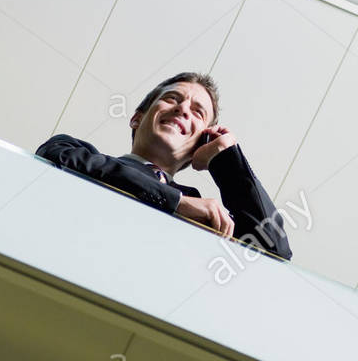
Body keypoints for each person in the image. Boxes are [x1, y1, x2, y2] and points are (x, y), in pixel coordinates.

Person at [35, 71, 292, 261]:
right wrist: (176, 202)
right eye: (171, 98)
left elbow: (274, 249)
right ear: (137, 118)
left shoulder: (207, 216)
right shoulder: (74, 151)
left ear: (197, 146)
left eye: (198, 112)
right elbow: (55, 155)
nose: (182, 109)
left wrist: (227, 158)